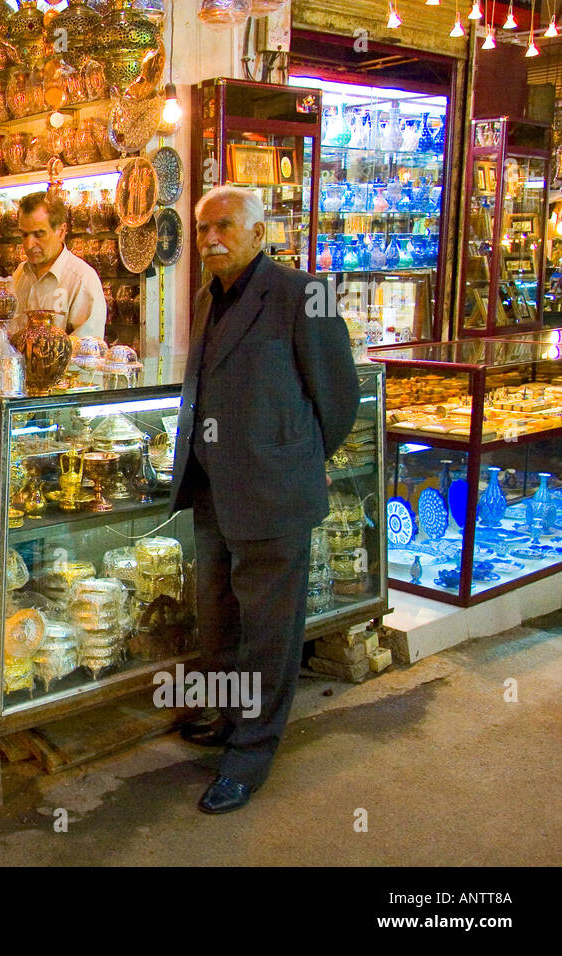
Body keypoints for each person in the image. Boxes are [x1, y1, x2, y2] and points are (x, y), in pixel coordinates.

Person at [169, 185, 359, 814]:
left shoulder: (308, 292)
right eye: (202, 230)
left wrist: (296, 460)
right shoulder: (210, 295)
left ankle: (250, 754)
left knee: (269, 634)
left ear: (258, 232)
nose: (210, 240)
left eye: (222, 227)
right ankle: (229, 716)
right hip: (214, 492)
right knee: (219, 617)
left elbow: (339, 399)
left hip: (274, 495)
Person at [11, 191, 107, 339]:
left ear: (61, 232)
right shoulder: (20, 274)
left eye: (39, 234)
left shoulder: (82, 280)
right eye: (24, 234)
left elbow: (87, 353)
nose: (29, 245)